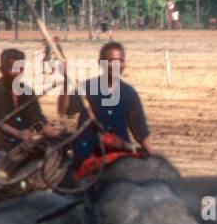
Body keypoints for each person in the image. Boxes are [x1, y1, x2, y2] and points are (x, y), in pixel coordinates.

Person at [60, 41, 152, 179]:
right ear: (100, 63)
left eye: (120, 61)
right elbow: (64, 110)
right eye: (111, 61)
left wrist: (153, 156)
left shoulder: (129, 93)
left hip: (120, 155)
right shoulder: (86, 88)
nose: (116, 66)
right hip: (88, 155)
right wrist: (65, 80)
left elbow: (141, 131)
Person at [0, 48, 60, 175]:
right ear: (2, 70)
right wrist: (19, 134)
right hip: (3, 146)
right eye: (12, 69)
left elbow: (36, 119)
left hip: (26, 146)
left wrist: (53, 132)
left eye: (20, 69)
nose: (16, 73)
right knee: (0, 173)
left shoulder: (28, 92)